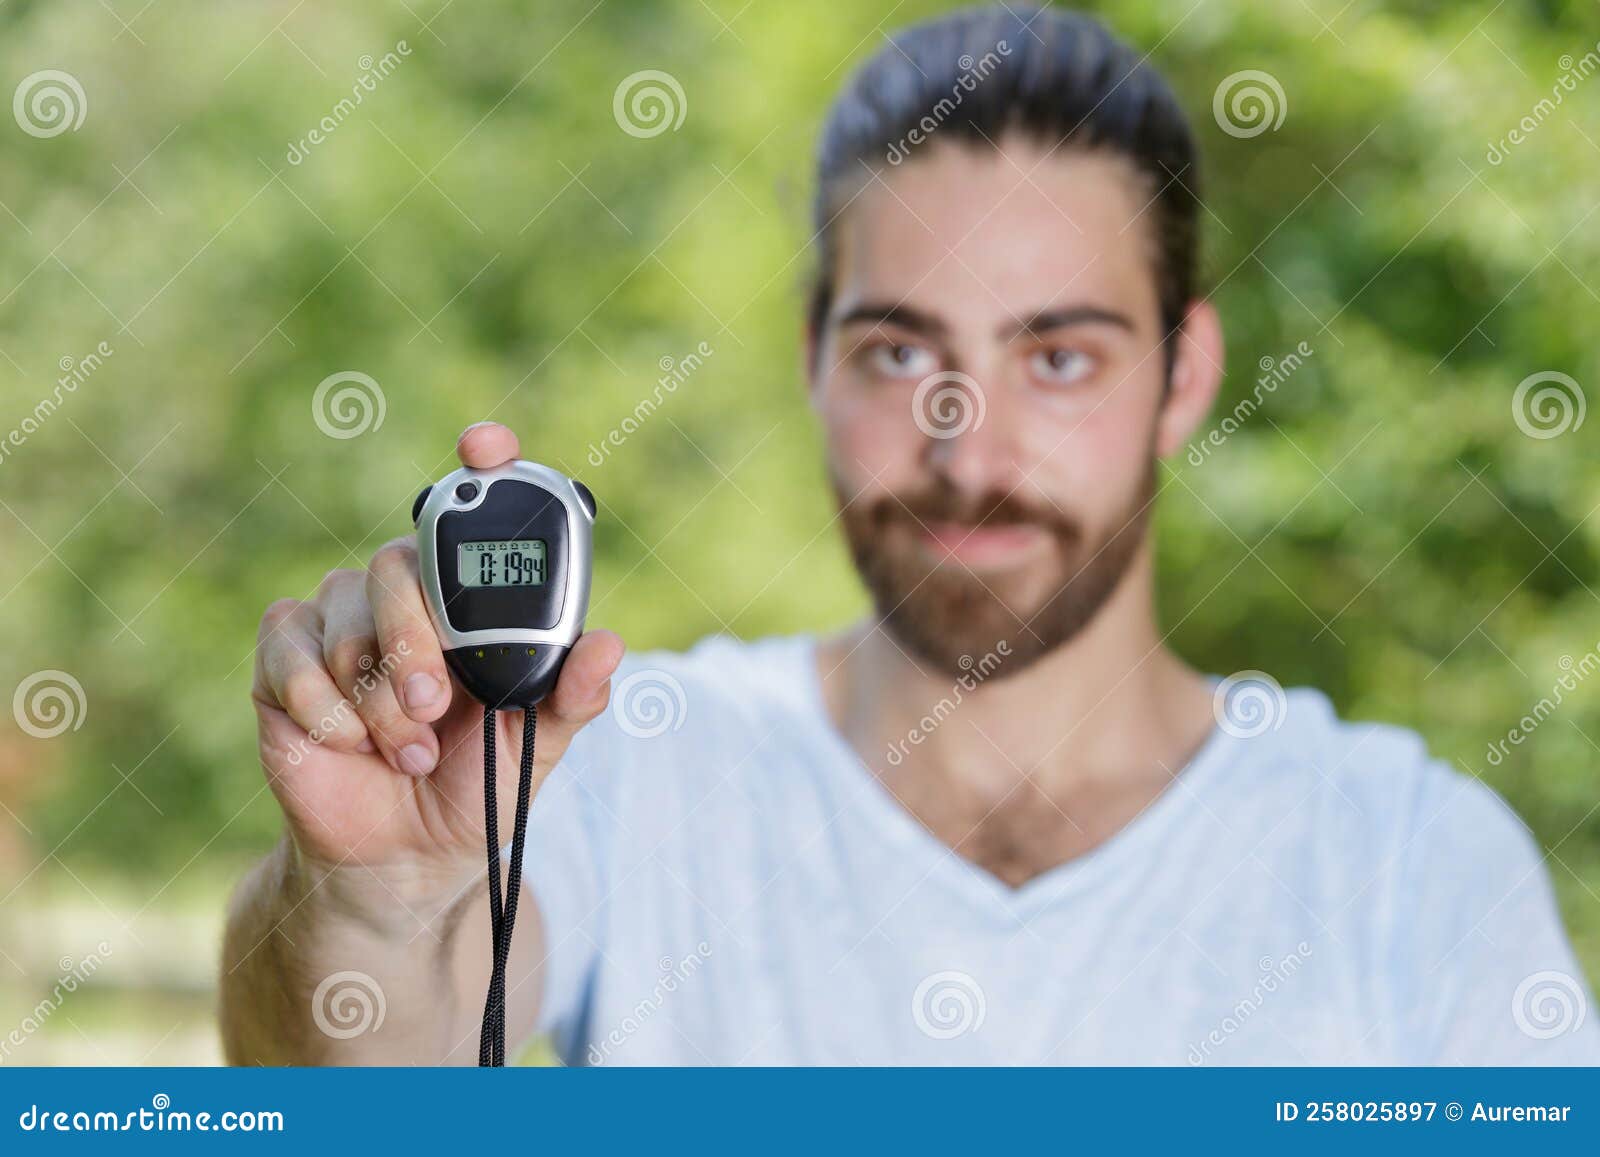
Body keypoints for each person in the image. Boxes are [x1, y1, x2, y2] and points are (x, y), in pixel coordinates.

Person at [221, 4, 1598, 1065]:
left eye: (1058, 358)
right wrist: (378, 897)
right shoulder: (628, 770)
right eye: (899, 352)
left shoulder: (1413, 863)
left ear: (1185, 378)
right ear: (814, 359)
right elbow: (353, 1078)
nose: (969, 454)